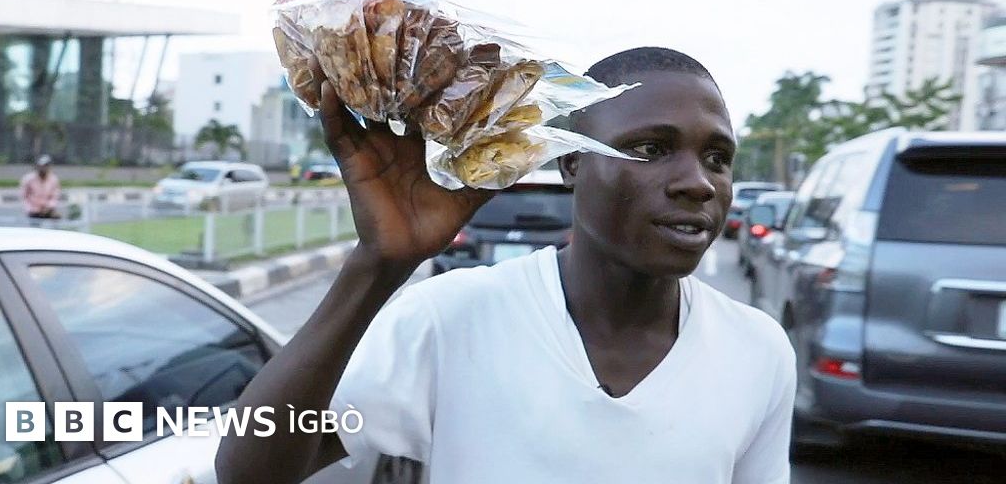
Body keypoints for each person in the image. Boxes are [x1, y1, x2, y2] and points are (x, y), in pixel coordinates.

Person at [216, 47, 796, 484]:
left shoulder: (758, 351)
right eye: (649, 150)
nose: (698, 183)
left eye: (717, 158)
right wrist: (377, 265)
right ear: (571, 163)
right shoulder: (452, 318)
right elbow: (248, 470)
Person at [20, 154, 62, 219]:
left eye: (46, 166)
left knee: (56, 218)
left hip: (48, 210)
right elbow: (24, 197)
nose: (44, 168)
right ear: (37, 166)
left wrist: (48, 207)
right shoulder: (28, 179)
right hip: (32, 211)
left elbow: (55, 197)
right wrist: (31, 209)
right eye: (42, 166)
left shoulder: (53, 179)